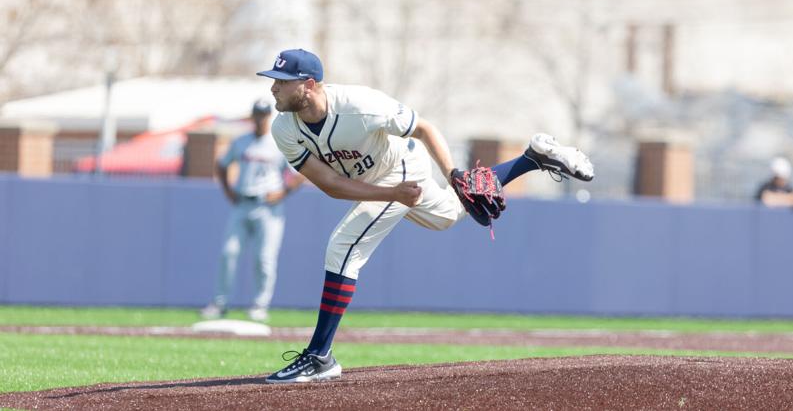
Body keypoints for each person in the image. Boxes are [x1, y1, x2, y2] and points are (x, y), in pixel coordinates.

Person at [256, 48, 594, 383]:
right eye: (274, 80)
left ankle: (319, 356)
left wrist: (453, 175)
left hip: (402, 169)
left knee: (343, 248)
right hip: (386, 186)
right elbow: (330, 183)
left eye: (283, 81)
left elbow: (424, 129)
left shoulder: (360, 105)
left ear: (310, 84)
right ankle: (532, 158)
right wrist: (392, 195)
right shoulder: (284, 128)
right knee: (448, 215)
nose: (274, 87)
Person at [200, 99, 305, 323]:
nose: (260, 118)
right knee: (229, 253)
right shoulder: (241, 142)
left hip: (269, 207)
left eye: (264, 114)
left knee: (264, 258)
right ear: (253, 117)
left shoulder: (279, 142)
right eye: (257, 114)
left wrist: (283, 191)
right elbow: (222, 164)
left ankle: (260, 305)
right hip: (243, 202)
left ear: (269, 117)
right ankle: (219, 303)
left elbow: (300, 173)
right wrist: (228, 190)